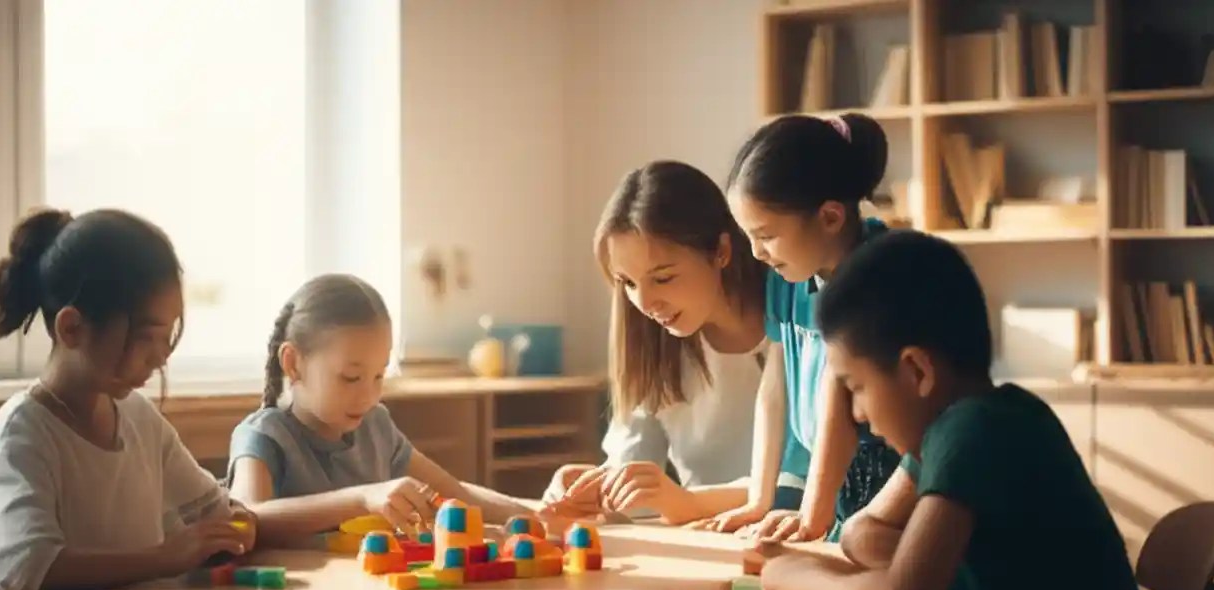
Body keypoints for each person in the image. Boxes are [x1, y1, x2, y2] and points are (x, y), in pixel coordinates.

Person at [759, 230, 1152, 590]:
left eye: (856, 387)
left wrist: (789, 573)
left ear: (917, 372)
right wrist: (922, 568)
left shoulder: (973, 431)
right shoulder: (976, 421)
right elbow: (862, 529)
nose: (856, 413)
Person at [0, 208, 255, 590]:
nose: (161, 357)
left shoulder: (138, 417)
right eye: (146, 336)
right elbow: (30, 568)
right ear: (72, 327)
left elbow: (213, 506)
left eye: (169, 336)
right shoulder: (23, 433)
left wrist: (235, 525)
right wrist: (167, 555)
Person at [541, 160, 809, 524]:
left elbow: (811, 485)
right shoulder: (654, 345)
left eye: (663, 278)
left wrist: (687, 501)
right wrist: (597, 488)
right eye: (628, 283)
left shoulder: (798, 323)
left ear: (721, 252)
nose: (645, 305)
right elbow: (639, 481)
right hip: (702, 541)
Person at [227, 274, 537, 543]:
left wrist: (536, 514)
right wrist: (362, 499)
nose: (369, 396)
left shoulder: (376, 427)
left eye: (379, 375)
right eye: (351, 377)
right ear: (293, 363)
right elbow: (246, 516)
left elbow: (456, 495)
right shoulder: (265, 436)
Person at [711, 112, 902, 539]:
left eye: (767, 236)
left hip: (885, 477)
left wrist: (812, 518)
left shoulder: (879, 271)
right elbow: (774, 390)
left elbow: (841, 409)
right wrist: (757, 500)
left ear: (830, 217)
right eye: (749, 237)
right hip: (828, 475)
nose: (757, 253)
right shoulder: (788, 275)